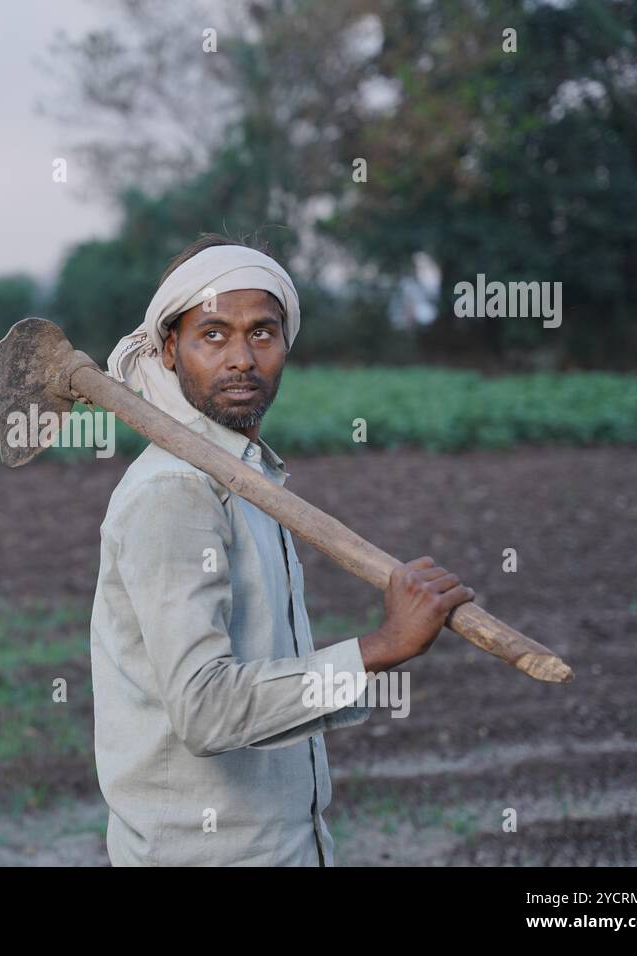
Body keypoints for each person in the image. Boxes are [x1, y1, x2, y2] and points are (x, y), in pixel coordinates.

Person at [89, 232, 476, 866]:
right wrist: (381, 649)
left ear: (284, 345)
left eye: (261, 334)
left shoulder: (248, 479)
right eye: (212, 334)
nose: (240, 357)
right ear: (168, 350)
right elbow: (207, 711)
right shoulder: (175, 493)